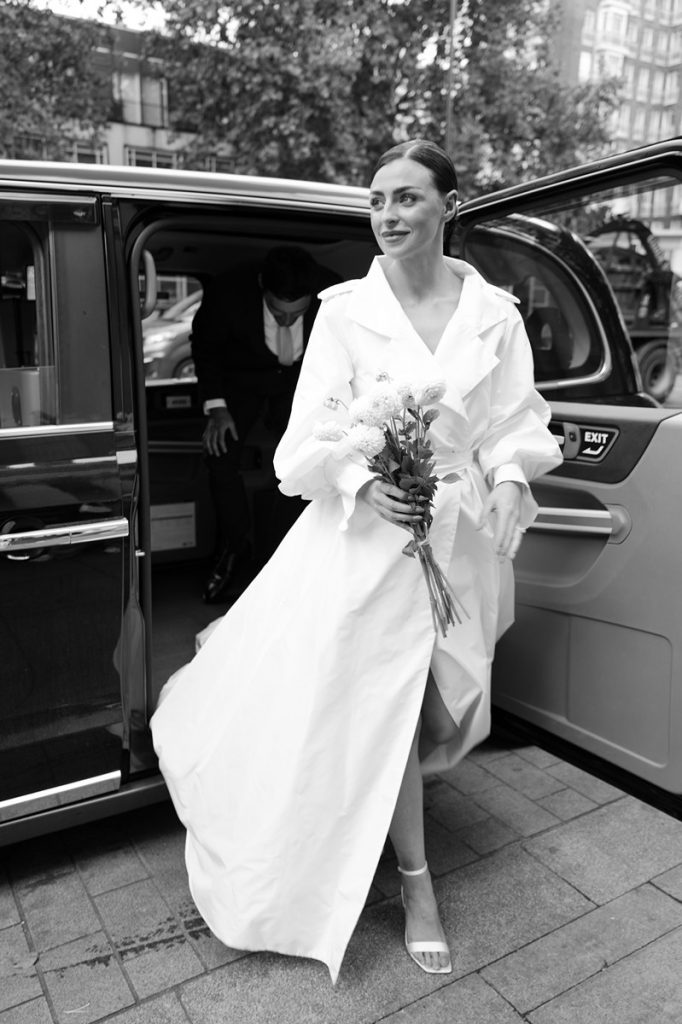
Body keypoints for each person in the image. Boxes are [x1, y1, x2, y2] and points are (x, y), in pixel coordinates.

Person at [151, 140, 563, 983]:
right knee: (392, 709)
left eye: (407, 198)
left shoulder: (497, 314)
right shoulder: (343, 312)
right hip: (367, 544)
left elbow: (512, 419)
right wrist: (358, 481)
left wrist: (515, 475)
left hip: (458, 541)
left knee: (439, 710)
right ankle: (416, 886)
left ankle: (377, 822)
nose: (388, 216)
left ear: (451, 203)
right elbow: (310, 441)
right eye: (375, 202)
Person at [191, 246, 334, 602]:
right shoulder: (227, 294)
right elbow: (205, 351)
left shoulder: (334, 293)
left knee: (310, 459)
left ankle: (295, 551)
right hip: (243, 380)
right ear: (260, 286)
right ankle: (234, 549)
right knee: (219, 456)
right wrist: (216, 410)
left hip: (299, 384)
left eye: (296, 315)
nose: (287, 322)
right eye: (278, 313)